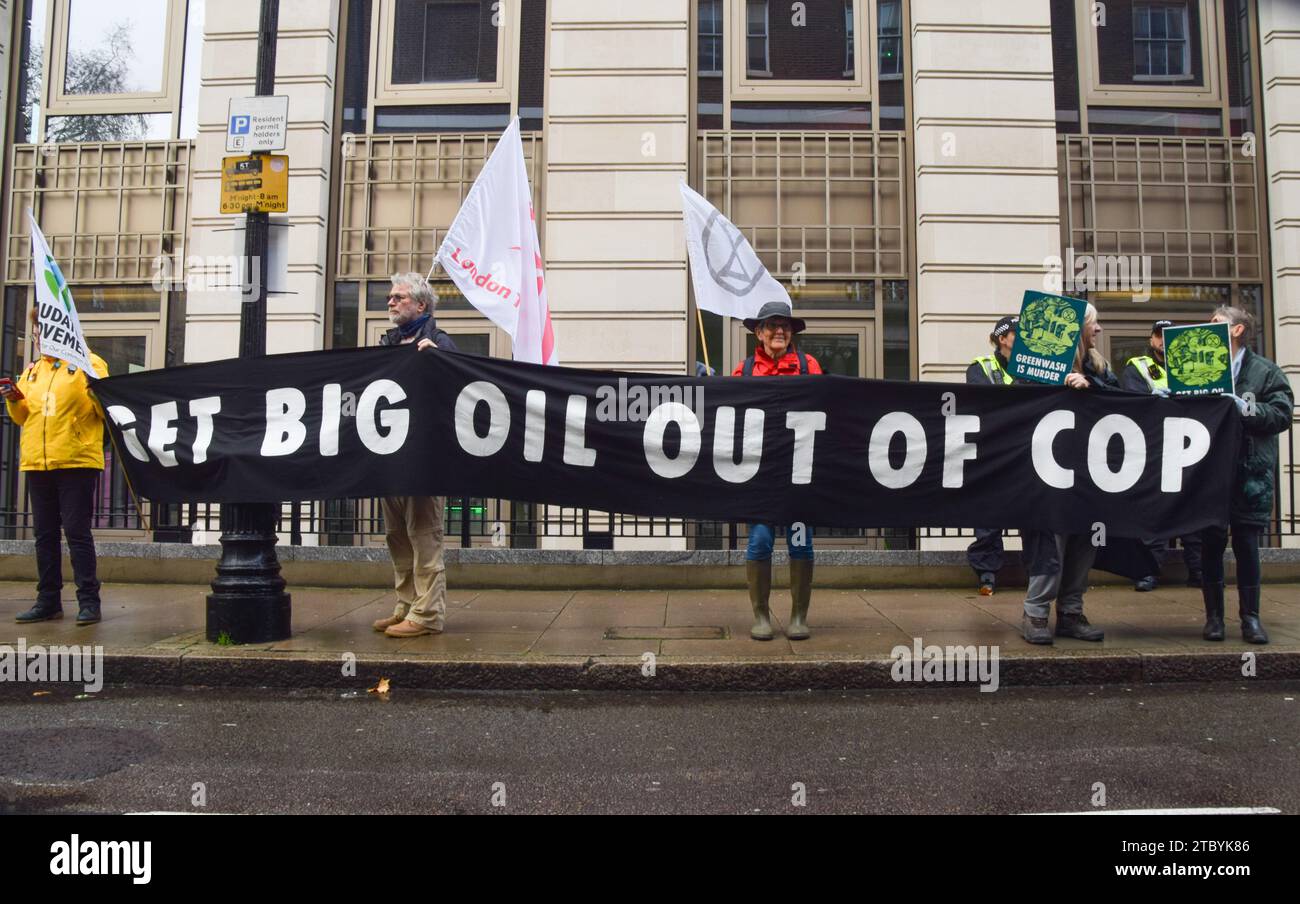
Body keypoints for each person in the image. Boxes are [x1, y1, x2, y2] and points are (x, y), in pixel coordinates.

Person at [1021, 303, 1116, 645]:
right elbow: (1018, 402)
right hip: (1050, 474)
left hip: (1091, 474)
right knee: (1051, 543)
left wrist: (1092, 385)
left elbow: (1126, 400)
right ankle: (1035, 613)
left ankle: (1071, 614)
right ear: (1077, 329)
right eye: (1095, 323)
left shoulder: (1099, 369)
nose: (1100, 330)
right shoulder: (1036, 370)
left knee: (1085, 541)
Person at [1198, 306, 1293, 644]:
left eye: (1214, 323)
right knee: (1210, 543)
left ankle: (1250, 618)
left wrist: (1244, 407)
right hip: (1209, 470)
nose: (1207, 327)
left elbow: (1281, 414)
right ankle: (1214, 619)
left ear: (1237, 330)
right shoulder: (1201, 368)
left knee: (1247, 544)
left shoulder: (1265, 372)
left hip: (1248, 473)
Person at [371, 273, 459, 638]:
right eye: (390, 297)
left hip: (424, 456)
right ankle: (405, 605)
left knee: (424, 535)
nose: (390, 302)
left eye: (399, 297)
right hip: (392, 455)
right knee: (397, 535)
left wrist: (439, 362)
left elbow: (460, 384)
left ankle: (427, 614)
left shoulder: (439, 342)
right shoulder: (388, 343)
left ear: (421, 304)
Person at [2, 337, 109, 626]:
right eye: (37, 333)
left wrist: (93, 383)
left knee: (76, 532)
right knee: (44, 534)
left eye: (44, 331)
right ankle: (48, 601)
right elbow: (23, 417)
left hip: (76, 460)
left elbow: (103, 410)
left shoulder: (90, 363)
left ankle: (89, 601)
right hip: (39, 462)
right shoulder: (34, 370)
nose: (40, 339)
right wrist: (13, 399)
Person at [733, 300, 823, 640]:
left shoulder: (808, 365)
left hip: (799, 476)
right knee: (759, 542)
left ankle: (799, 617)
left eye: (785, 326)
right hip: (760, 478)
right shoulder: (744, 370)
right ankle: (761, 617)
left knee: (801, 544)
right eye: (772, 325)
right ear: (759, 332)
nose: (780, 331)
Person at [1121, 319, 1203, 592]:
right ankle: (1148, 572)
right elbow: (1133, 401)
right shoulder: (1139, 367)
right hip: (1154, 448)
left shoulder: (1195, 364)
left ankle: (1199, 570)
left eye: (1169, 336)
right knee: (1154, 512)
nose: (1163, 341)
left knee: (1192, 511)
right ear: (1152, 339)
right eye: (1159, 335)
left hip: (1188, 445)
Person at [964, 314, 1017, 595]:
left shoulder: (1036, 368)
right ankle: (987, 574)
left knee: (1032, 514)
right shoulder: (981, 367)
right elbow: (983, 401)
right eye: (1017, 332)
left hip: (1026, 452)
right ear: (1002, 338)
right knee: (988, 516)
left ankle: (1039, 572)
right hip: (992, 453)